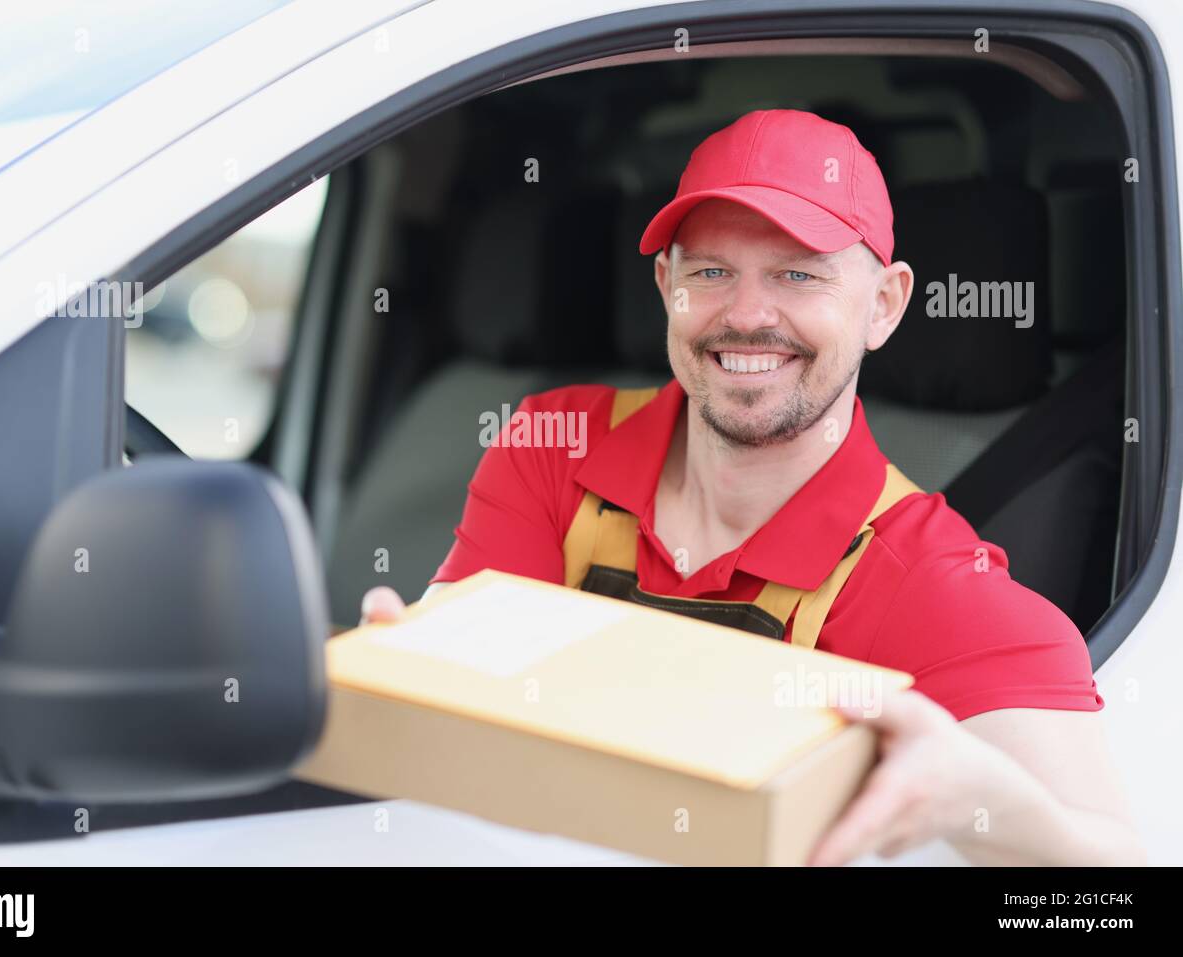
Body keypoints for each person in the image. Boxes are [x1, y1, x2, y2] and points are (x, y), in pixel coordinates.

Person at [360, 109, 1144, 866]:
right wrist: (409, 683)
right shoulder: (553, 447)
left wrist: (987, 803)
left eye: (798, 273)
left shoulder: (933, 584)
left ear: (885, 304)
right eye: (711, 271)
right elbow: (464, 737)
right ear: (666, 282)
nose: (746, 314)